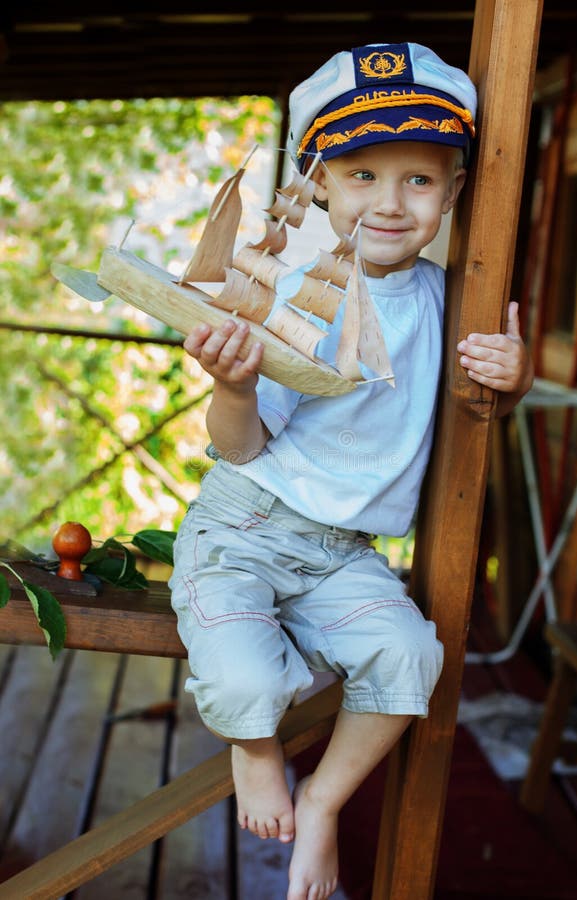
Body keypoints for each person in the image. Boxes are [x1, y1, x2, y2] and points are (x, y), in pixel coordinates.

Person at [169, 41, 534, 900]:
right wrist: (234, 382)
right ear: (318, 182)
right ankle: (256, 748)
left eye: (419, 178)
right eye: (362, 174)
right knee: (246, 676)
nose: (391, 201)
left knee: (412, 654)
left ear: (453, 191)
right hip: (244, 527)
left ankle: (326, 801)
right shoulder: (299, 291)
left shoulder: (455, 302)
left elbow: (474, 411)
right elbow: (241, 444)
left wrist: (509, 382)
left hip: (342, 553)